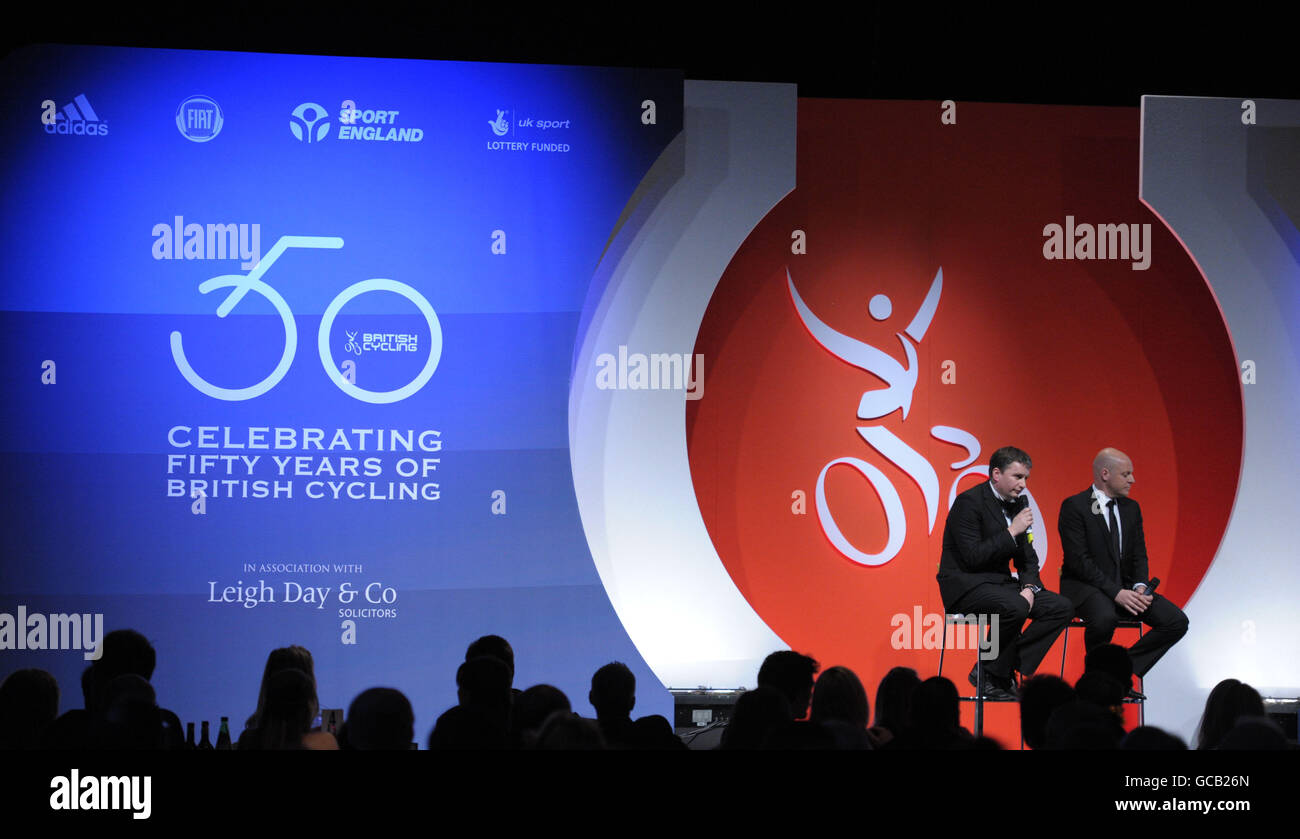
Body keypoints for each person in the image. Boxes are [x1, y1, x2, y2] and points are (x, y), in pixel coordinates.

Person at [937, 446, 1072, 699]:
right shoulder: (968, 502)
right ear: (996, 474)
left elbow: (1027, 557)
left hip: (1001, 585)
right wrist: (1012, 531)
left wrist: (1030, 588)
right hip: (967, 585)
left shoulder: (1018, 504)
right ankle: (994, 672)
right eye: (1018, 477)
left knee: (1061, 607)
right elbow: (973, 557)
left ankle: (994, 669)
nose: (1023, 485)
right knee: (1015, 607)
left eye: (1026, 478)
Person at [1058, 448, 1188, 695]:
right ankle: (1101, 678)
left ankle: (1114, 672)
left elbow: (1139, 553)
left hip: (1125, 587)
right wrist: (1116, 592)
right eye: (1126, 474)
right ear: (1105, 474)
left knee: (1176, 622)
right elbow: (1079, 561)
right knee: (1105, 618)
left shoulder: (1131, 508)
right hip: (1086, 587)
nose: (1132, 480)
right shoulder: (1075, 506)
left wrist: (1140, 585)